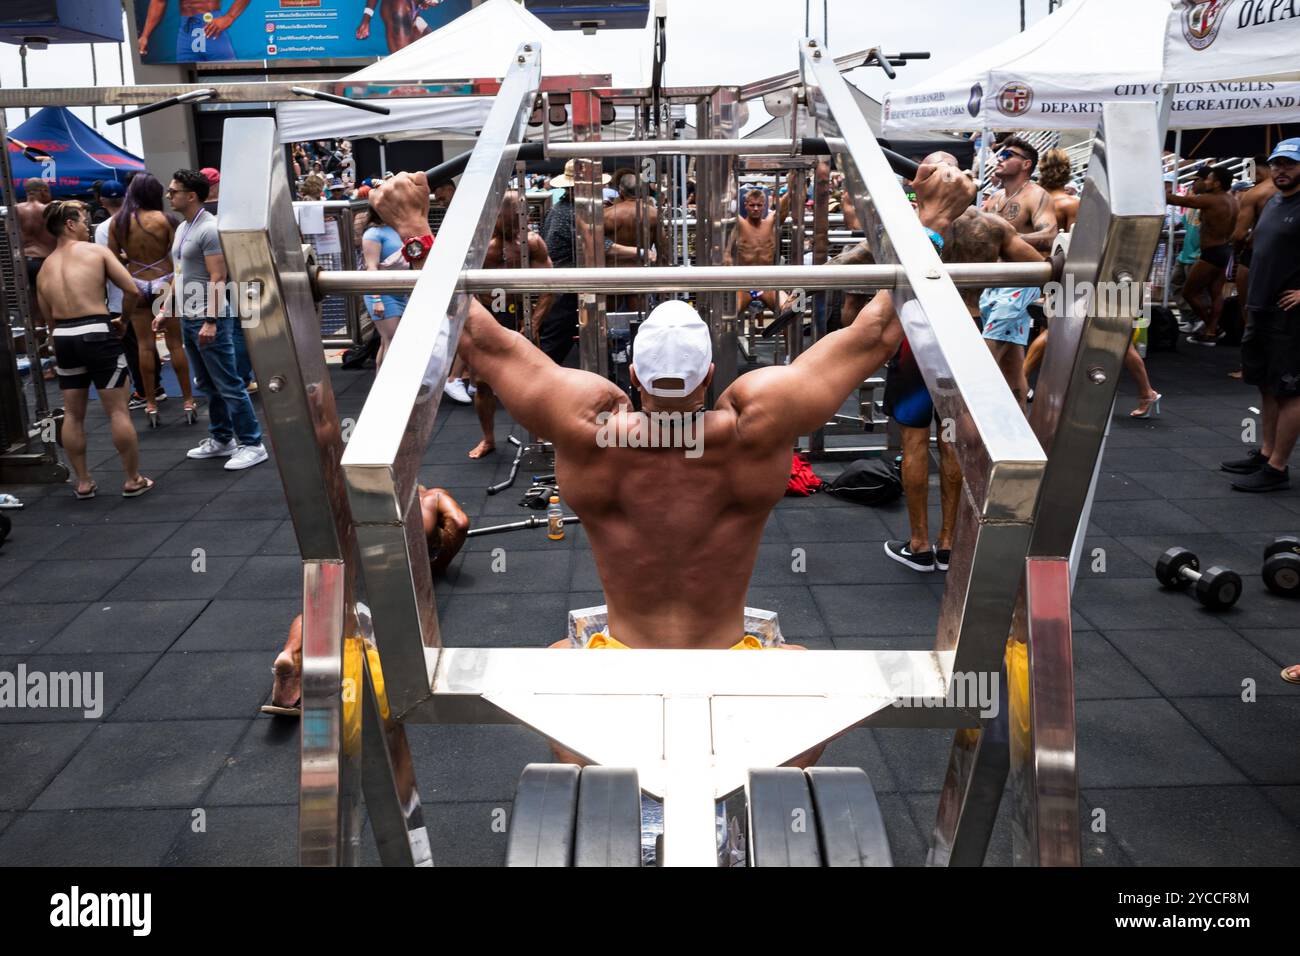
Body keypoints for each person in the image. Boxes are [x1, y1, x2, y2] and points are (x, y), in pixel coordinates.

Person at [368, 160, 974, 653]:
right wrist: (933, 222)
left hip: (623, 656)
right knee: (795, 662)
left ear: (631, 373)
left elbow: (474, 335)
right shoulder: (754, 424)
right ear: (711, 375)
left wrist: (418, 231)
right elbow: (875, 333)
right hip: (726, 653)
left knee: (559, 657)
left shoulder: (591, 422)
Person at [264, 486, 469, 715]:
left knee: (328, 606)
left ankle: (291, 652)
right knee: (377, 624)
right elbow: (459, 523)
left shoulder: (364, 494)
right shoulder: (435, 496)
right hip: (394, 558)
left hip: (353, 542)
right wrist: (439, 563)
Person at [34, 200, 153, 498]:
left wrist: (60, 340)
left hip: (63, 336)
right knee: (117, 410)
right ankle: (132, 479)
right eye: (85, 221)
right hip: (96, 330)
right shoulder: (96, 252)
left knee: (73, 414)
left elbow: (48, 320)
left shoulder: (45, 267)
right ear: (71, 224)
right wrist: (123, 321)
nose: (88, 226)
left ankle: (83, 482)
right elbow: (132, 290)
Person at [163, 169, 267, 470]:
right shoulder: (183, 228)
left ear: (191, 195)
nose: (170, 195)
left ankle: (252, 443)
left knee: (229, 384)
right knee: (208, 383)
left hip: (208, 317)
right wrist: (165, 309)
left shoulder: (210, 229)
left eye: (174, 191)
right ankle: (222, 439)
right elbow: (181, 274)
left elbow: (218, 277)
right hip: (189, 317)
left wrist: (212, 320)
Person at [1221, 139, 1300, 493]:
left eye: (1291, 164)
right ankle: (1267, 453)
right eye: (1277, 164)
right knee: (1267, 385)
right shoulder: (1272, 201)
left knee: (1291, 391)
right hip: (1261, 308)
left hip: (1290, 316)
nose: (1282, 170)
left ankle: (1278, 467)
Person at [468, 191, 555, 459]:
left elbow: (550, 286)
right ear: (494, 218)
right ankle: (488, 439)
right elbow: (464, 289)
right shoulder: (480, 247)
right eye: (506, 221)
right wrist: (479, 323)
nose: (513, 227)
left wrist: (534, 323)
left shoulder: (533, 244)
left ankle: (539, 433)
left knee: (535, 379)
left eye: (516, 221)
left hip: (523, 317)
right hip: (490, 318)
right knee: (482, 383)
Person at [108, 172, 195, 426]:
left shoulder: (119, 222)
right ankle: (188, 400)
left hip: (135, 283)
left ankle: (150, 403)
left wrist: (128, 264)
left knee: (144, 346)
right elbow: (177, 255)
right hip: (164, 282)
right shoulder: (167, 220)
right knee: (175, 344)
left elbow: (111, 259)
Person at [979, 136, 1058, 411]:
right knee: (1013, 365)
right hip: (994, 280)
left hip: (1021, 281)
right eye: (999, 153)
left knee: (985, 353)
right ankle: (1021, 426)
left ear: (1025, 164)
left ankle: (974, 422)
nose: (1000, 157)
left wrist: (1008, 238)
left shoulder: (1036, 195)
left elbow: (1050, 234)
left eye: (1007, 154)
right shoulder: (996, 197)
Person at [94, 181, 161, 410]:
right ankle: (156, 388)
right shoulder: (146, 220)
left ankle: (144, 392)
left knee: (136, 346)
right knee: (152, 343)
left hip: (124, 295)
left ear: (101, 201)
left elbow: (107, 262)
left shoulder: (104, 228)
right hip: (155, 287)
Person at [537, 159, 609, 365]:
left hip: (562, 286)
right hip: (562, 288)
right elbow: (601, 245)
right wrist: (639, 252)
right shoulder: (570, 213)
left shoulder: (563, 209)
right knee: (553, 347)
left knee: (557, 342)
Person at [1165, 165, 1239, 345]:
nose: (1206, 181)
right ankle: (1212, 331)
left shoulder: (1211, 199)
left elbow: (1176, 201)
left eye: (1209, 179)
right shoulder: (1233, 200)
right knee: (1215, 294)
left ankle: (1212, 327)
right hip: (1225, 250)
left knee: (1189, 292)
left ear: (1217, 183)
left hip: (1212, 253)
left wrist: (1161, 190)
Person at [724, 176, 795, 320]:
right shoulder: (740, 225)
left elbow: (790, 198)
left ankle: (791, 343)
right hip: (744, 285)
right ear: (746, 206)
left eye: (759, 205)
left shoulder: (771, 223)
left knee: (790, 311)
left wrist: (793, 177)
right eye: (752, 205)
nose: (756, 208)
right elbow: (724, 203)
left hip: (767, 284)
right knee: (726, 317)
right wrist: (730, 177)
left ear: (764, 206)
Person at [360, 205, 410, 367]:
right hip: (382, 294)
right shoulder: (373, 233)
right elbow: (371, 267)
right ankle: (390, 386)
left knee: (387, 341)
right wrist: (376, 300)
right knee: (392, 341)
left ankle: (380, 386)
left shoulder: (397, 229)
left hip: (400, 292)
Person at [137, 0, 250, 62]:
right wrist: (145, 35)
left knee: (228, 75)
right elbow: (159, 2)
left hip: (210, 25)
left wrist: (230, 17)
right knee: (187, 84)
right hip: (186, 28)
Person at [17, 178, 57, 335]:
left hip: (24, 263)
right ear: (42, 191)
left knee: (32, 308)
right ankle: (51, 345)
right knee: (51, 305)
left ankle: (38, 347)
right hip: (45, 262)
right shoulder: (49, 210)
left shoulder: (15, 210)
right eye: (47, 190)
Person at [1037, 148, 1079, 233]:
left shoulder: (1028, 197)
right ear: (1067, 169)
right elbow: (1071, 241)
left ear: (1041, 168)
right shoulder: (1072, 204)